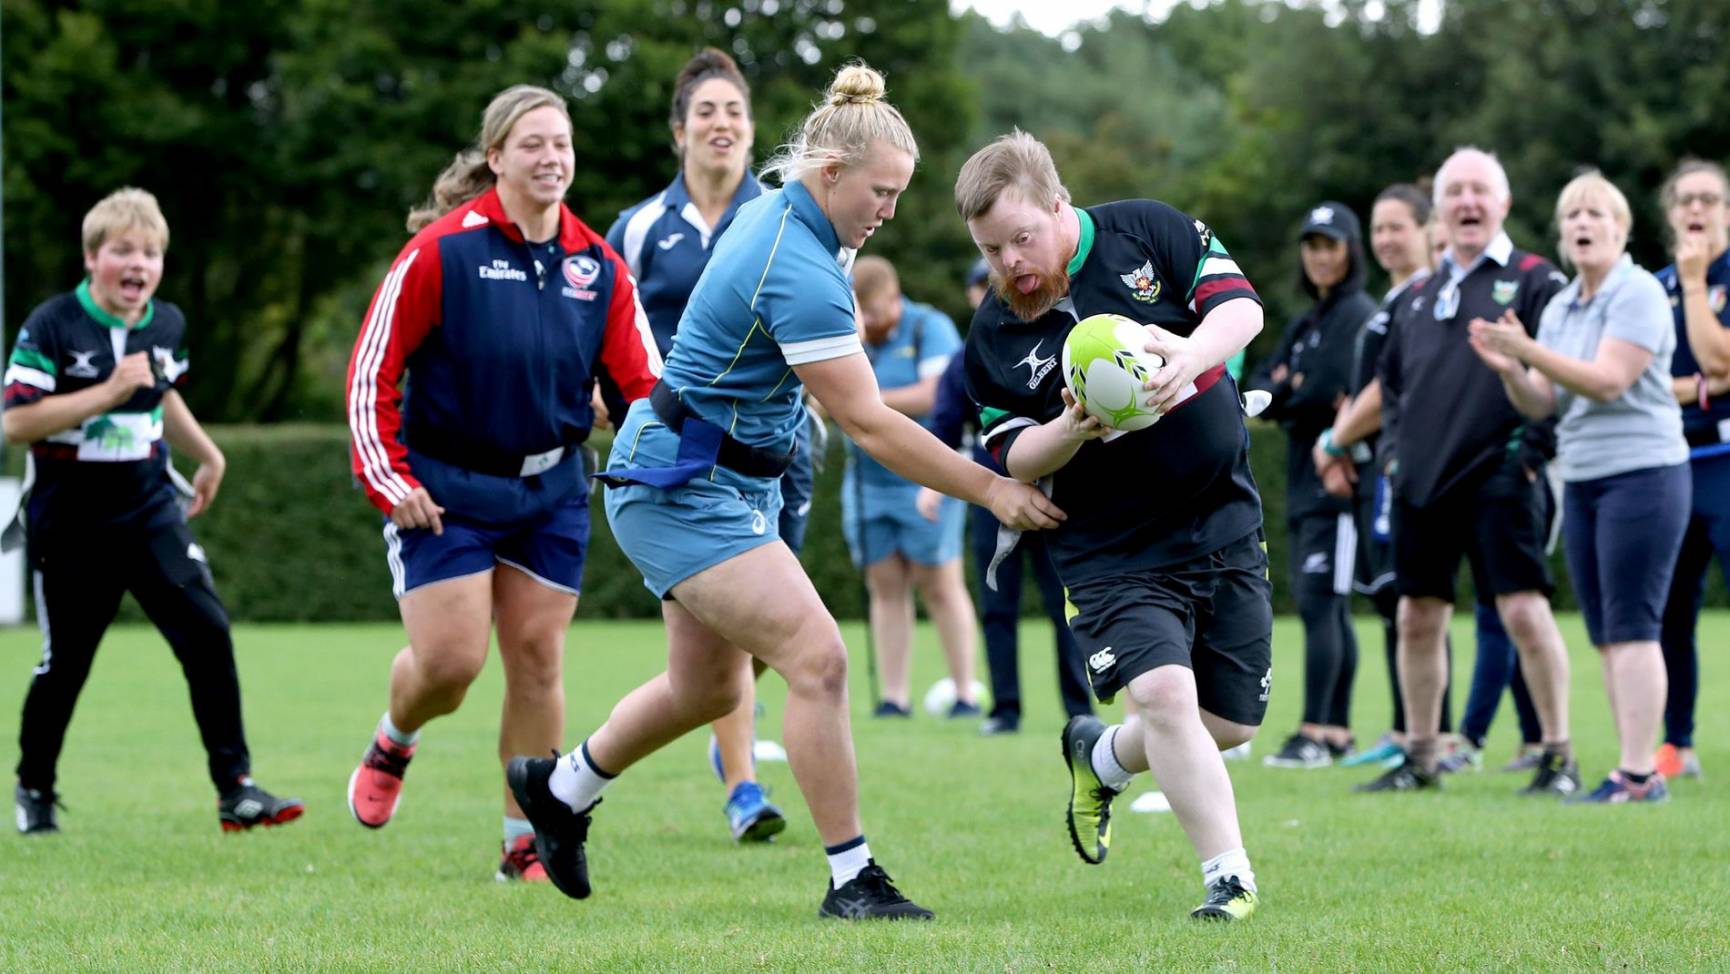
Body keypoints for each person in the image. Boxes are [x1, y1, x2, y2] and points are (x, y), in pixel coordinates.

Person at [502, 63, 1061, 921]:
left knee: (711, 690)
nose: (889, 212)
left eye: (899, 194)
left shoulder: (794, 221)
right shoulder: (792, 256)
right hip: (684, 485)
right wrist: (991, 489)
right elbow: (870, 423)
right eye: (881, 192)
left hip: (714, 476)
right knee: (821, 659)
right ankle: (852, 879)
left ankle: (559, 788)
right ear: (830, 173)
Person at [343, 85, 661, 882]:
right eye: (532, 145)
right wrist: (390, 480)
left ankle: (524, 839)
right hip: (445, 491)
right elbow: (370, 371)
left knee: (538, 660)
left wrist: (677, 466)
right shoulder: (441, 252)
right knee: (450, 665)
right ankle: (395, 736)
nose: (551, 157)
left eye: (562, 143)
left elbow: (645, 392)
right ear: (496, 158)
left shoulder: (600, 265)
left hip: (551, 491)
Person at [957, 130, 1269, 921]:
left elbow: (1241, 309)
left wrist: (1189, 355)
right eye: (993, 251)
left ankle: (1100, 754)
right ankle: (1227, 879)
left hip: (1221, 519)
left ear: (1060, 208)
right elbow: (1014, 454)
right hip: (1108, 548)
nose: (1011, 264)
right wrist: (1072, 430)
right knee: (1165, 695)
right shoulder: (995, 332)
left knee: (1226, 723)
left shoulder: (1147, 230)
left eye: (1022, 238)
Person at [7, 188, 302, 835]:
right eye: (123, 251)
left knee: (207, 630)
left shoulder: (166, 323)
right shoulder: (52, 324)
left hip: (149, 514)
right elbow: (16, 422)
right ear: (92, 258)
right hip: (71, 525)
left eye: (151, 253)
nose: (138, 264)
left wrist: (208, 453)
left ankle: (236, 790)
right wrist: (106, 391)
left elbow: (161, 395)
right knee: (67, 665)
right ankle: (34, 788)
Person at [605, 48, 796, 843]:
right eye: (707, 112)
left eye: (736, 113)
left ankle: (727, 739)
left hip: (775, 451)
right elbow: (609, 323)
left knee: (762, 632)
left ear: (753, 133)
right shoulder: (641, 227)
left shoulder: (785, 216)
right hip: (677, 449)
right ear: (679, 131)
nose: (723, 125)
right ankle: (744, 783)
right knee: (719, 624)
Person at [1357, 147, 1577, 796]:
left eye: (1481, 190)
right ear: (1439, 214)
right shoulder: (1418, 295)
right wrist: (1396, 459)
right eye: (1455, 192)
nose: (1468, 203)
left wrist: (1532, 456)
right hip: (1421, 484)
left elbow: (1557, 376)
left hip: (1503, 477)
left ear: (1504, 203)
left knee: (1522, 612)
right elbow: (1390, 388)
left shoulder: (1537, 280)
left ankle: (1558, 757)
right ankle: (1421, 758)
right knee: (1416, 619)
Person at [1469, 170, 1688, 803]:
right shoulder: (1564, 305)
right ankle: (1628, 768)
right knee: (1606, 631)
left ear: (1621, 229)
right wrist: (1513, 369)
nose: (1583, 224)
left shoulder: (1638, 292)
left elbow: (1608, 381)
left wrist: (1529, 350)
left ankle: (1640, 774)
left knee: (1634, 626)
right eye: (1572, 216)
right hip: (1587, 478)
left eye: (1597, 213)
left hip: (1644, 474)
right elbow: (1544, 404)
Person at [920, 259, 1093, 736]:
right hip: (995, 500)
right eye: (980, 287)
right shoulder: (967, 358)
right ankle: (1004, 709)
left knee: (1067, 605)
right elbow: (943, 426)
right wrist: (930, 485)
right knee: (998, 607)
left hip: (1058, 493)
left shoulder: (1061, 338)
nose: (986, 295)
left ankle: (1080, 709)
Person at [1251, 201, 1376, 768]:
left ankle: (1318, 732)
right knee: (1319, 603)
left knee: (1325, 604)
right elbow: (1261, 385)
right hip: (1306, 478)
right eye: (1313, 245)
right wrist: (1292, 389)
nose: (1321, 256)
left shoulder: (1357, 315)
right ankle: (1334, 732)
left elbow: (1320, 386)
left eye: (1331, 244)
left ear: (1352, 250)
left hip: (1338, 480)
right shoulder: (1309, 322)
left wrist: (1291, 390)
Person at [843, 256, 979, 718]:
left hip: (928, 476)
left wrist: (859, 404)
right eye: (864, 316)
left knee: (939, 583)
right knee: (885, 586)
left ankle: (965, 691)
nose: (873, 324)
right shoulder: (850, 334)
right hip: (867, 480)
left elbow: (931, 394)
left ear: (894, 300)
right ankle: (893, 696)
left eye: (877, 313)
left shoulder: (930, 327)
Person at [1656, 158, 1730, 783]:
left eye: (1710, 198)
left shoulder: (1705, 277)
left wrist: (1697, 281)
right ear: (1671, 212)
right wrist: (1703, 388)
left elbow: (1722, 357)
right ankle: (1676, 743)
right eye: (1687, 200)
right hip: (1671, 461)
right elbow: (1643, 379)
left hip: (1726, 462)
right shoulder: (1652, 288)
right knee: (1670, 612)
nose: (1697, 210)